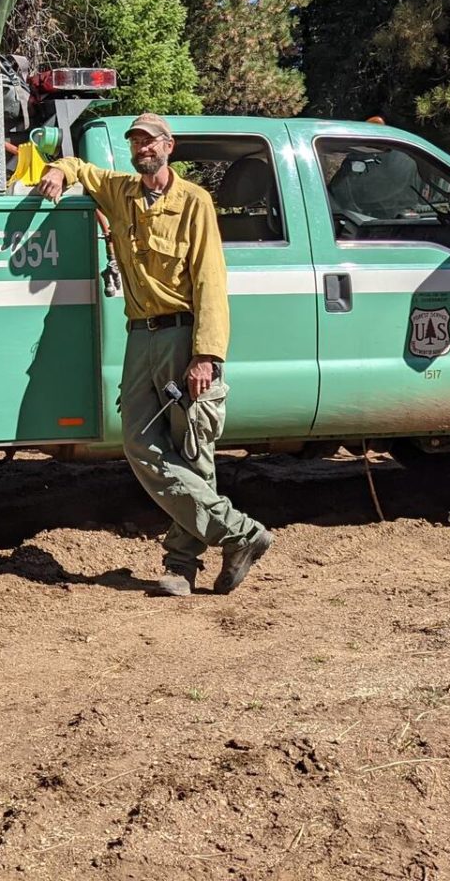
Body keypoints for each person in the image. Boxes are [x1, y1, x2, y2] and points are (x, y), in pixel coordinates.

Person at [35, 114, 271, 595]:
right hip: (139, 336)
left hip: (183, 337)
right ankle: (240, 533)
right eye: (135, 142)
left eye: (149, 141)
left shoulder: (194, 201)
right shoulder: (121, 191)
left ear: (169, 146)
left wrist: (206, 355)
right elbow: (81, 168)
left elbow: (210, 280)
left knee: (193, 450)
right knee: (139, 443)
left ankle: (181, 567)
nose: (141, 148)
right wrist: (58, 169)